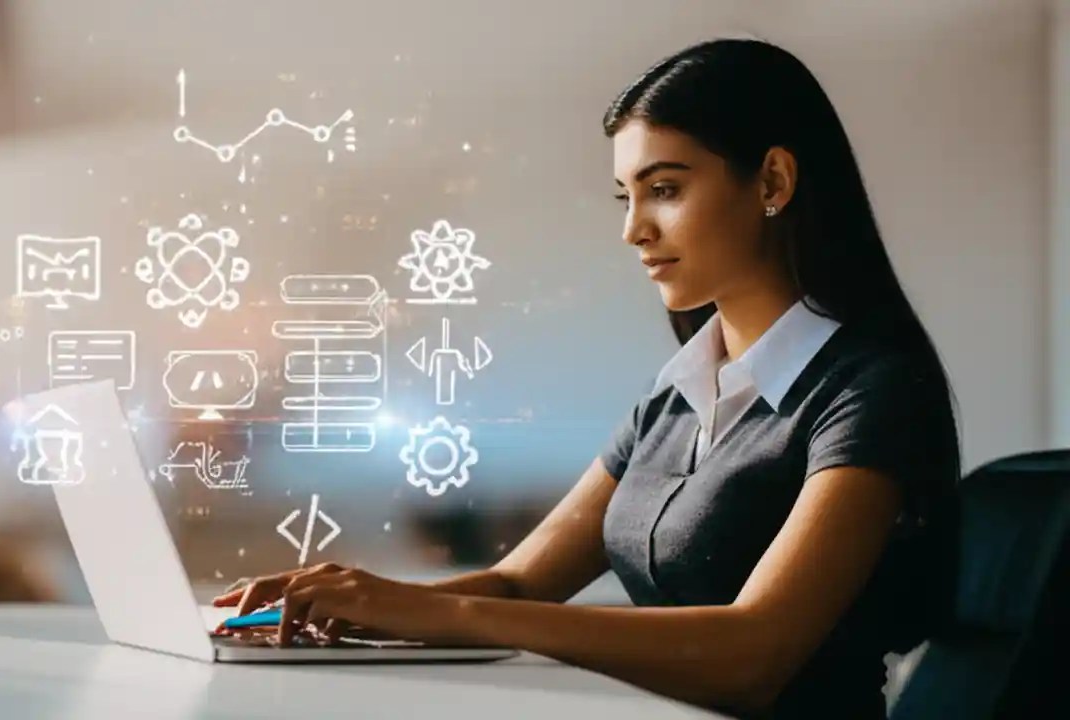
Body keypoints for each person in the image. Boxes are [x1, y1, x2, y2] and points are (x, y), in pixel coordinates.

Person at [214, 38, 961, 720]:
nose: (633, 227)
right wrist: (355, 605)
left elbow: (752, 654)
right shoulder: (677, 393)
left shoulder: (871, 390)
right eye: (625, 197)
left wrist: (437, 617)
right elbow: (519, 584)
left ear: (772, 179)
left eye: (664, 188)